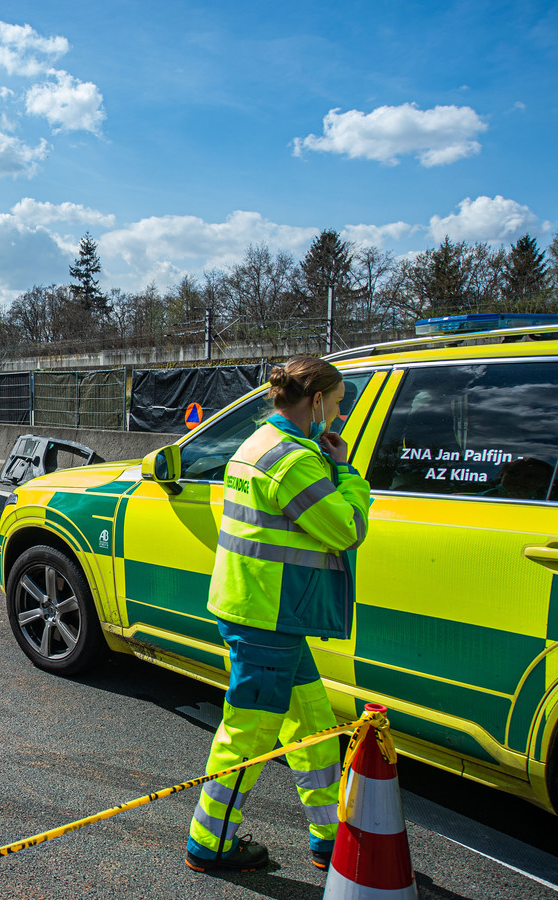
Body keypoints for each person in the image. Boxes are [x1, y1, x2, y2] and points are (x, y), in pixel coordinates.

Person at [184, 356, 371, 874]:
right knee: (249, 732)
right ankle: (210, 843)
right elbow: (348, 527)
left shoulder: (259, 444)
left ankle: (331, 837)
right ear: (314, 402)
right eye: (334, 407)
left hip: (264, 609)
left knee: (311, 723)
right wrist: (346, 468)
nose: (336, 419)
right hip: (268, 616)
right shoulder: (294, 461)